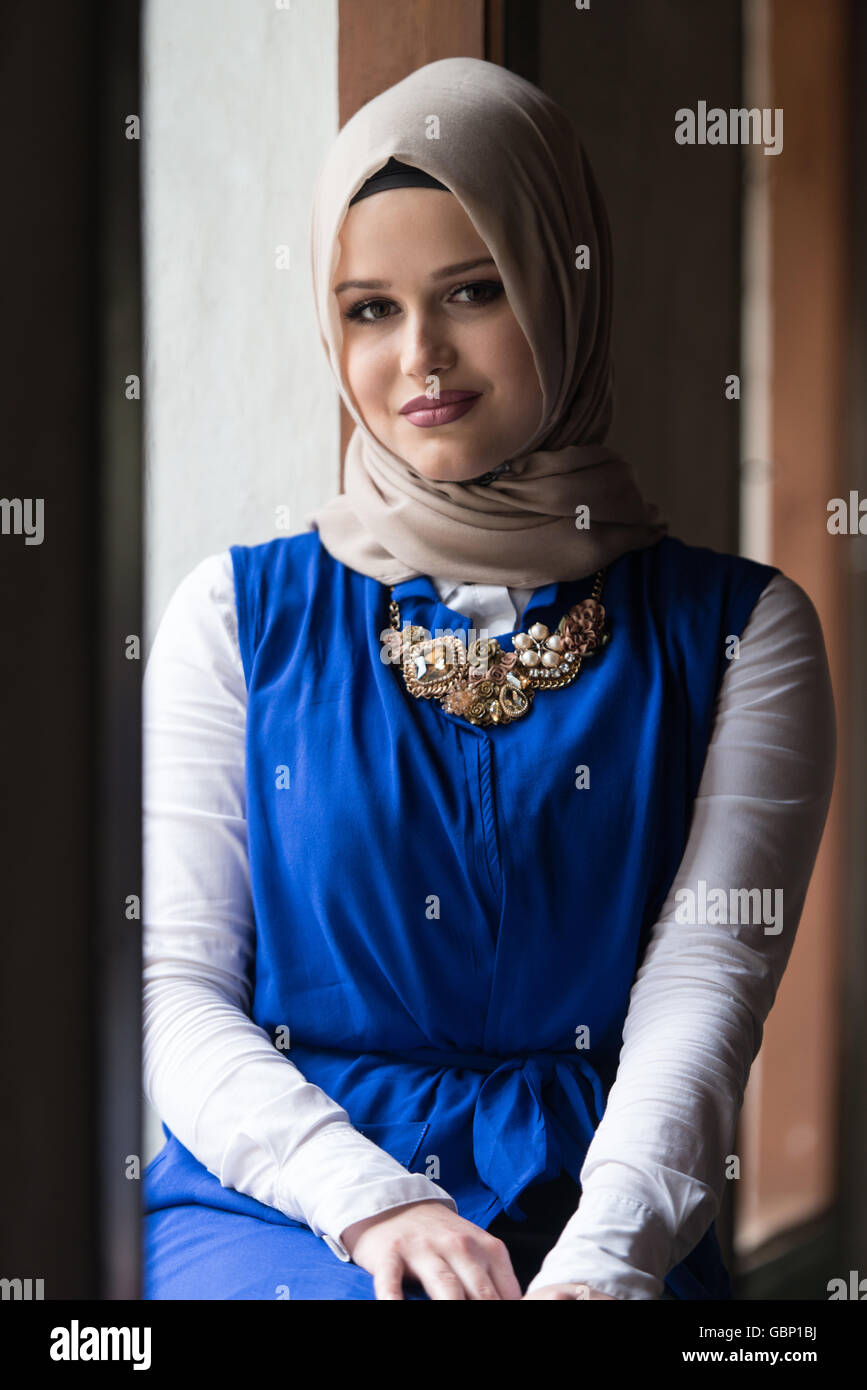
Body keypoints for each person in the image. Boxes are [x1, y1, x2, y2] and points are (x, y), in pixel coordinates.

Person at [141, 57, 835, 1301]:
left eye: (474, 290)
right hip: (281, 1201)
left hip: (595, 1199)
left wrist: (607, 1259)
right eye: (368, 309)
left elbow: (705, 991)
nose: (420, 358)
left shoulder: (743, 633)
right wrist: (371, 1201)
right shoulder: (233, 620)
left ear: (565, 288)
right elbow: (180, 994)